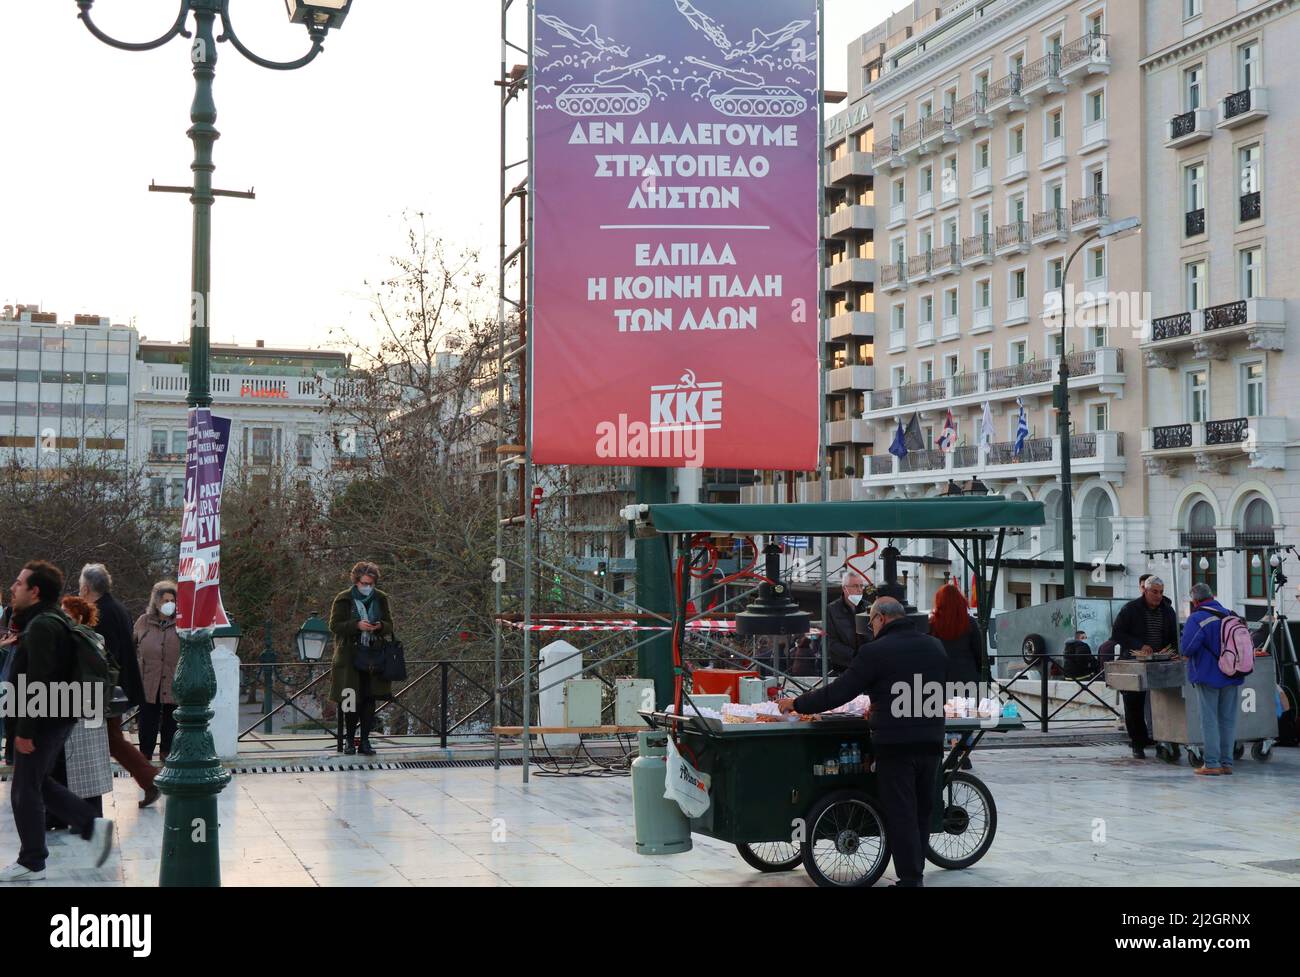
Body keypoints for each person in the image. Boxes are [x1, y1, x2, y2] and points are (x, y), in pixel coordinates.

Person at [777, 597, 948, 887]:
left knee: (902, 813)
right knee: (921, 811)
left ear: (881, 618)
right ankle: (914, 874)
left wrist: (797, 703)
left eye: (871, 623)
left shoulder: (874, 652)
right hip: (931, 740)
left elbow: (839, 693)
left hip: (896, 746)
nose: (871, 629)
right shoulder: (935, 646)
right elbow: (923, 688)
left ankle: (910, 880)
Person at [1, 561, 113, 883]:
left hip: (45, 719)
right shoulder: (47, 620)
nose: (13, 588)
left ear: (34, 591)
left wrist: (25, 732)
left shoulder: (42, 627)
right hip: (55, 716)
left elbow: (39, 682)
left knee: (23, 791)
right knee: (38, 783)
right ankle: (92, 825)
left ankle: (32, 862)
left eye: (19, 583)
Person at [79, 564, 159, 808]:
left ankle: (152, 780)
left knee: (111, 739)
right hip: (117, 686)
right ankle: (150, 780)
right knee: (112, 739)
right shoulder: (116, 607)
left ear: (85, 587)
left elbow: (102, 654)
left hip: (107, 689)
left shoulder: (100, 613)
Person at [328, 562, 394, 756]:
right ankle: (349, 741)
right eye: (364, 583)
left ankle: (365, 741)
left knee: (369, 699)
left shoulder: (380, 598)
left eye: (371, 583)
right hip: (349, 658)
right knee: (350, 701)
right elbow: (334, 625)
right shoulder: (344, 599)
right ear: (356, 581)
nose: (367, 587)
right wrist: (356, 625)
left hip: (374, 656)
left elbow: (390, 625)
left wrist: (379, 626)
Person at [1181, 583, 1246, 776]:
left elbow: (1187, 648)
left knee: (1209, 720)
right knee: (1227, 720)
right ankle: (1227, 763)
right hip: (1232, 674)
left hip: (1208, 674)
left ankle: (1211, 763)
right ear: (1212, 596)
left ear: (1195, 600)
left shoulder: (1197, 618)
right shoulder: (1230, 614)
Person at [58, 597, 115, 819]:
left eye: (67, 612)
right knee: (89, 764)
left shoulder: (72, 638)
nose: (63, 616)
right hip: (94, 705)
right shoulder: (96, 637)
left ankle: (78, 817)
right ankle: (92, 814)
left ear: (79, 616)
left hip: (76, 705)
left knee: (75, 764)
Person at [1110, 574, 1177, 758]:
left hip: (1161, 662)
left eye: (1161, 592)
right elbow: (1117, 633)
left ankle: (1162, 739)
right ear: (1145, 591)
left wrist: (1172, 650)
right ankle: (1137, 743)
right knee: (1133, 703)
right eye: (1154, 592)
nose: (1158, 596)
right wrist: (1139, 646)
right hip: (1135, 662)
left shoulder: (1168, 611)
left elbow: (1174, 635)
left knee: (1163, 703)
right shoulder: (1130, 609)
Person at [928, 583, 980, 770]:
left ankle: (948, 751)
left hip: (941, 678)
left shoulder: (932, 624)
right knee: (964, 718)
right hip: (966, 679)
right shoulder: (969, 623)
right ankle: (962, 753)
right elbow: (979, 652)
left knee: (946, 718)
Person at [133, 581, 181, 762]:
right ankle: (145, 753)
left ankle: (167, 751)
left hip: (173, 678)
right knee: (147, 720)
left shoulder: (180, 623)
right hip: (148, 680)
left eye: (172, 600)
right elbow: (132, 645)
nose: (169, 604)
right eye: (165, 600)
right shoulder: (143, 622)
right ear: (157, 602)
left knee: (171, 718)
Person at [825, 571, 868, 674]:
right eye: (855, 586)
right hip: (843, 665)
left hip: (867, 662)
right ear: (844, 588)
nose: (859, 590)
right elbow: (830, 641)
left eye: (861, 586)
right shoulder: (832, 609)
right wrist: (854, 654)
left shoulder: (868, 607)